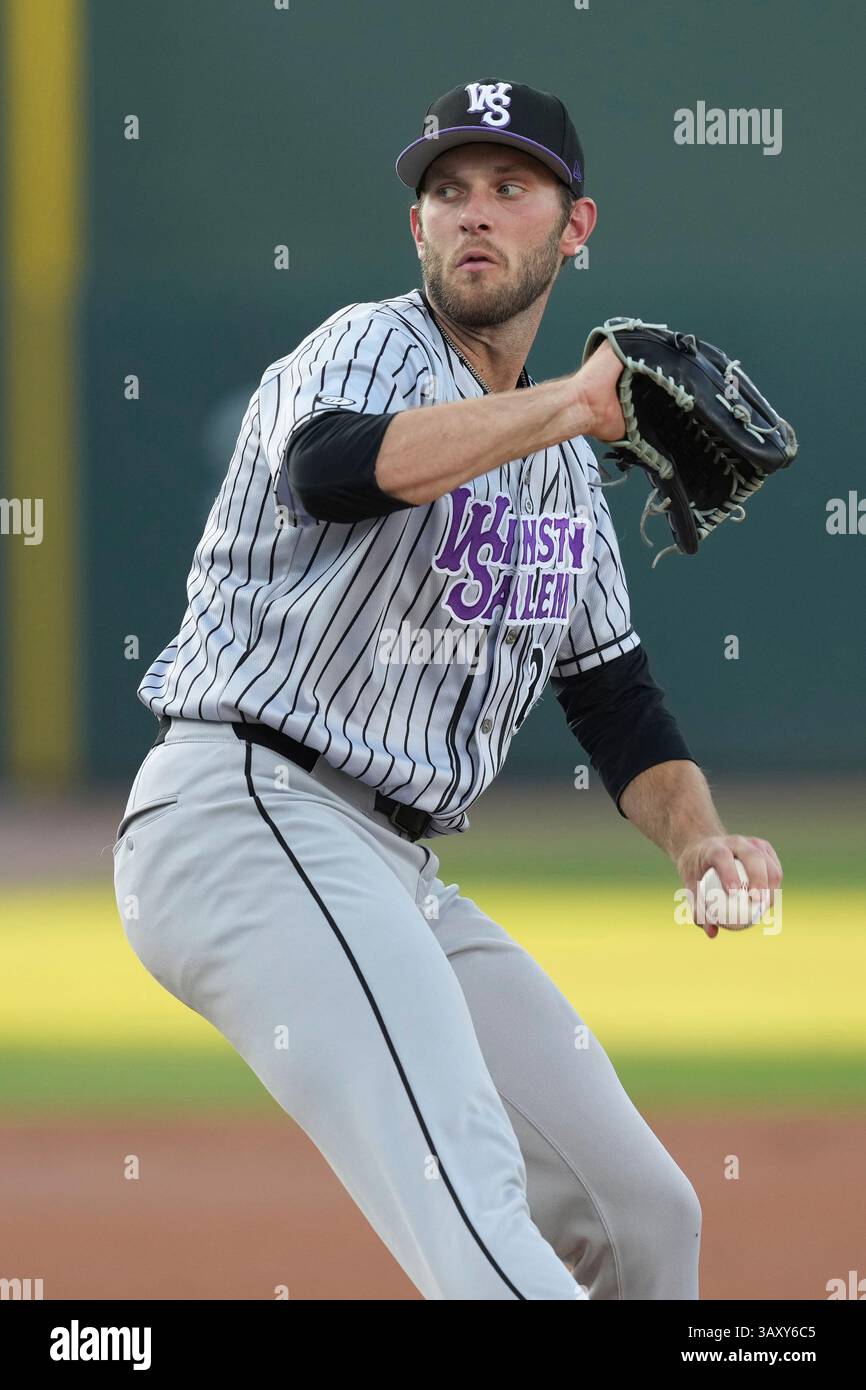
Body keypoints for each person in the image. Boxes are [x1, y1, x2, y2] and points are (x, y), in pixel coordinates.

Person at [113, 78, 782, 1301]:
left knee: (641, 1216)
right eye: (446, 191)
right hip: (248, 811)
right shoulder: (371, 344)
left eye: (509, 188)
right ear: (414, 229)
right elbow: (334, 469)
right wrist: (576, 404)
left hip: (395, 869)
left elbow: (615, 699)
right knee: (473, 1218)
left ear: (573, 227)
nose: (472, 213)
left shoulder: (565, 476)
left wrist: (698, 840)